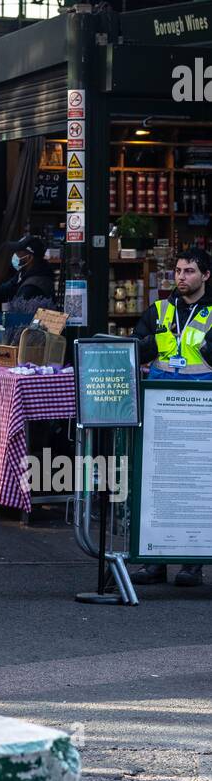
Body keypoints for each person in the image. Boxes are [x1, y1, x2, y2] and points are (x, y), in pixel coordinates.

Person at [129, 246, 212, 588]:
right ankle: (155, 562)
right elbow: (136, 345)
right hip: (160, 404)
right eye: (178, 271)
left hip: (200, 408)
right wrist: (157, 341)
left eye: (189, 271)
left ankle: (193, 562)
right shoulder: (160, 309)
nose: (181, 277)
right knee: (156, 484)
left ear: (205, 275)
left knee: (196, 486)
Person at [0, 235, 56, 305]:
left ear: (29, 258)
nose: (15, 255)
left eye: (18, 253)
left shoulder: (32, 286)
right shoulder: (24, 273)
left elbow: (19, 312)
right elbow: (6, 290)